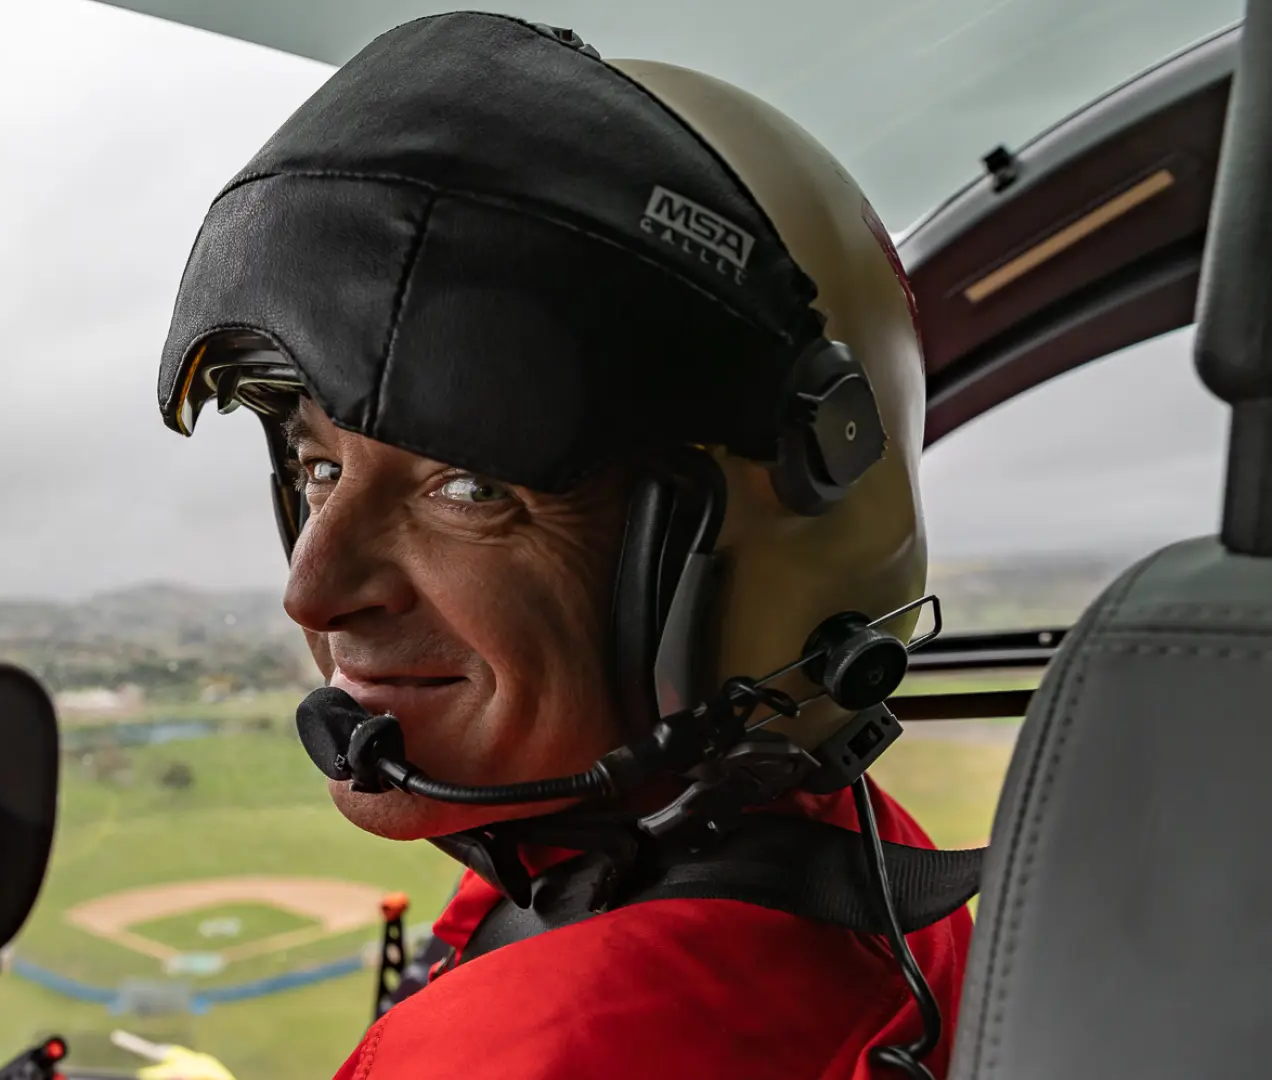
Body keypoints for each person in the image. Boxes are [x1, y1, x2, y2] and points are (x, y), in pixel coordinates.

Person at [154, 12, 972, 1080]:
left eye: (469, 484)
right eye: (318, 470)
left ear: (774, 556)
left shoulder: (558, 1046)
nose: (314, 592)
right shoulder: (839, 855)